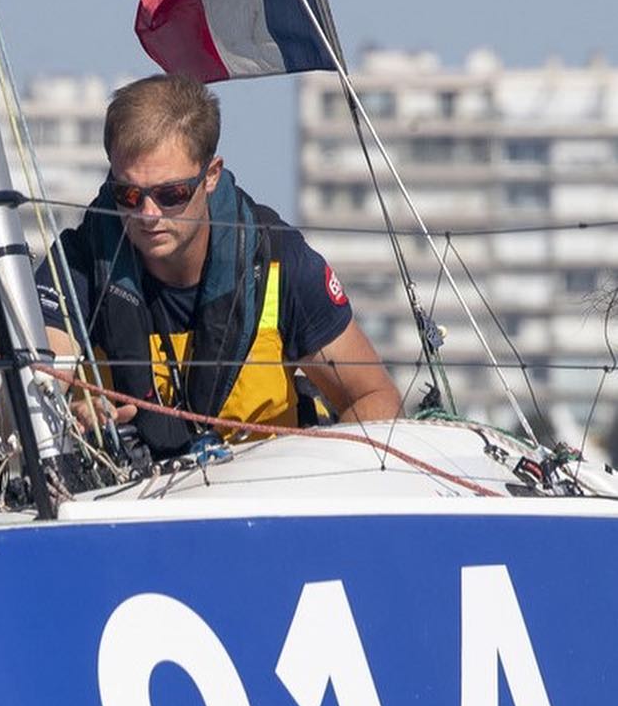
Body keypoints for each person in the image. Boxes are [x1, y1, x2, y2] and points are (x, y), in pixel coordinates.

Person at [36, 74, 401, 456]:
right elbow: (29, 390)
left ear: (210, 175)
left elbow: (377, 398)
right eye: (128, 194)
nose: (148, 214)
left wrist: (308, 477)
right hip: (129, 501)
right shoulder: (78, 264)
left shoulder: (280, 262)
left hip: (266, 497)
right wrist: (66, 412)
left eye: (170, 193)